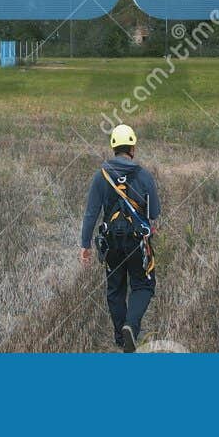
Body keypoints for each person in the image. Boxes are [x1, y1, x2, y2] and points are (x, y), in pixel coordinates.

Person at [80, 123, 161, 352]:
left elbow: (91, 213)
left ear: (113, 148)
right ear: (132, 148)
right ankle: (131, 327)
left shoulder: (101, 176)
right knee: (143, 285)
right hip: (137, 242)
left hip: (112, 243)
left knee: (115, 289)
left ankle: (119, 338)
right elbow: (154, 212)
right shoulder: (144, 175)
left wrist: (85, 245)